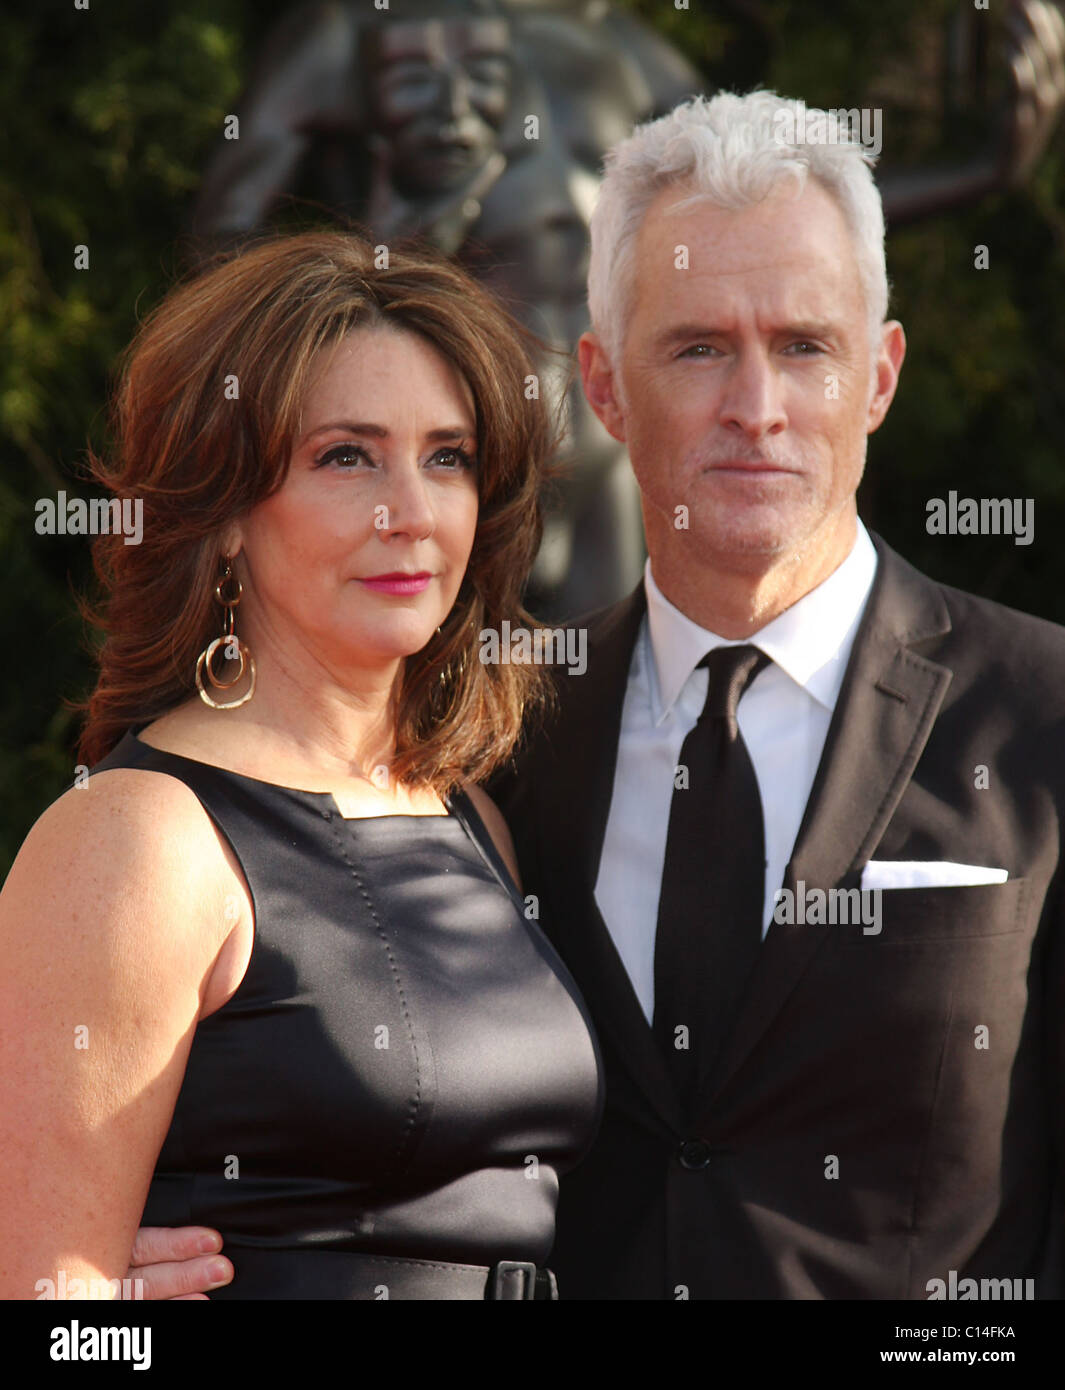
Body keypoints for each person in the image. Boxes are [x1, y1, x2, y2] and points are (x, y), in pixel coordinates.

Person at [135, 88, 1065, 1301]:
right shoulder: (482, 742)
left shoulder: (1043, 715)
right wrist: (102, 1294)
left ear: (879, 377)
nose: (757, 407)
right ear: (604, 385)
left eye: (804, 346)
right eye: (697, 348)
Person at [0, 229, 602, 1301]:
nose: (410, 513)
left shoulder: (469, 815)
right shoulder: (137, 841)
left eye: (447, 456)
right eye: (346, 456)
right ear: (224, 511)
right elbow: (47, 1300)